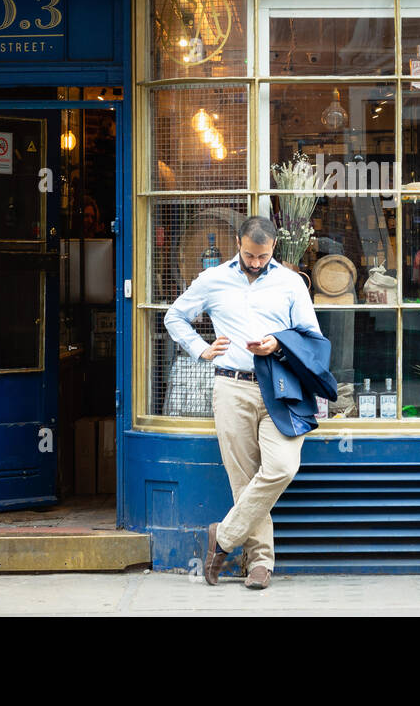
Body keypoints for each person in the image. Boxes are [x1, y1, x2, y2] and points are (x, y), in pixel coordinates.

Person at [163, 215, 322, 590]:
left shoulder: (290, 282)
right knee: (244, 481)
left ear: (274, 249)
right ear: (238, 242)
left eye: (263, 256)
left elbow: (311, 335)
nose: (255, 262)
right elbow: (175, 317)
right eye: (250, 255)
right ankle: (260, 564)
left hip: (281, 387)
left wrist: (278, 343)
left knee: (281, 468)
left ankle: (223, 537)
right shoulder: (212, 279)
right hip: (232, 388)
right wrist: (202, 349)